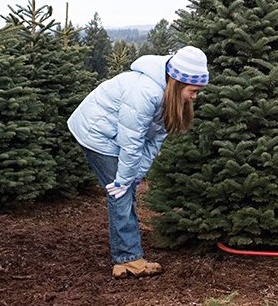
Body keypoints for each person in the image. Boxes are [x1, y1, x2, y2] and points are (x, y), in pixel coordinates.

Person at [67, 46, 209, 279]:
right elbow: (131, 142)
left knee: (125, 189)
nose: (195, 96)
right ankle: (128, 258)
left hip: (117, 135)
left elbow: (153, 142)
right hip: (96, 132)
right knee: (120, 193)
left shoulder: (170, 97)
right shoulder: (145, 92)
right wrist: (124, 180)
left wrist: (136, 176)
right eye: (193, 91)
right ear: (177, 83)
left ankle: (125, 256)